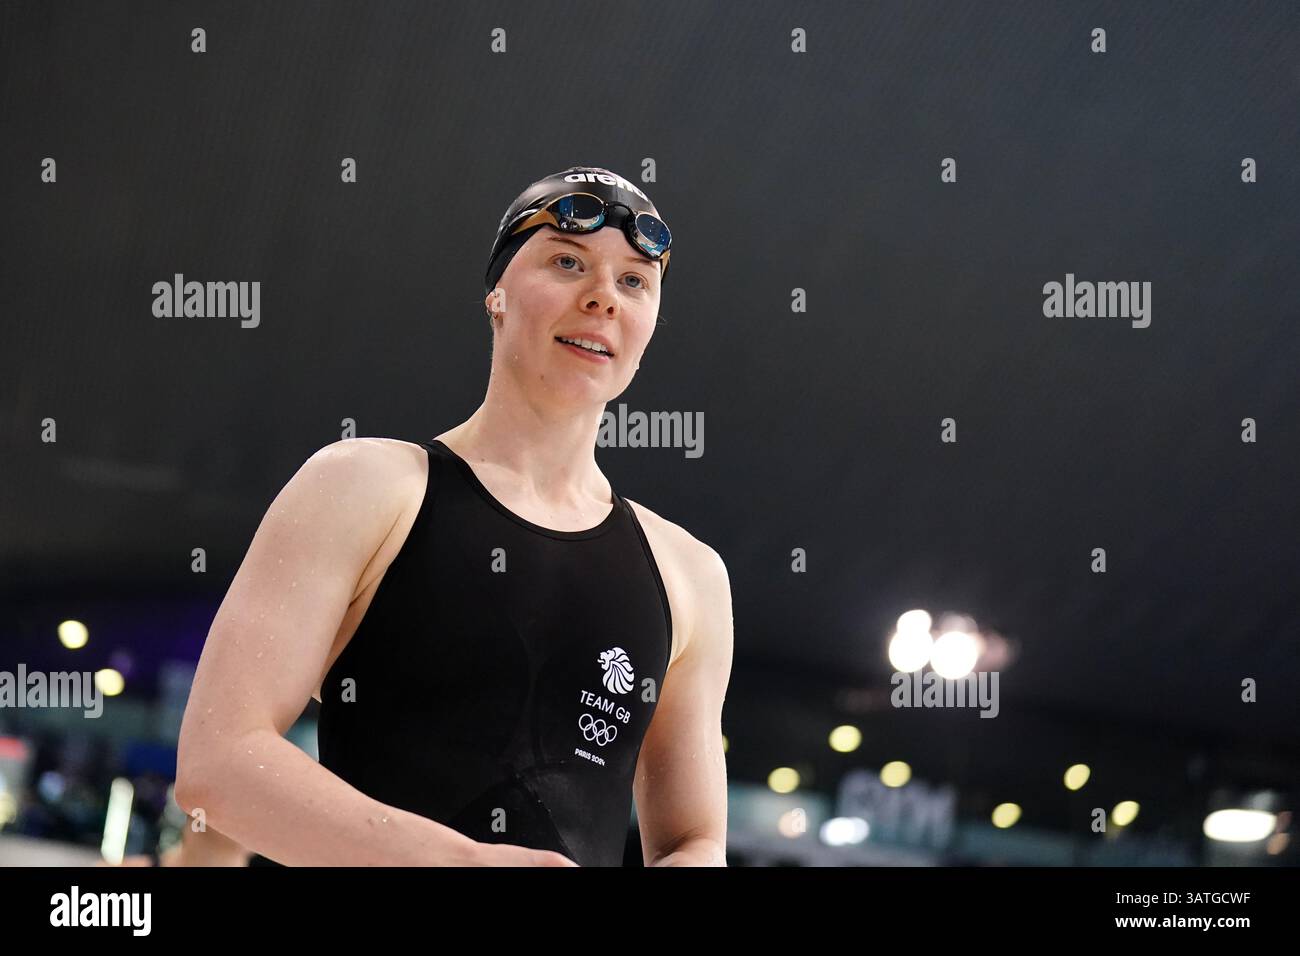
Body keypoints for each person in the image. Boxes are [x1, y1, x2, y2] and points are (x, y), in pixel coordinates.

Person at [176, 166, 733, 866]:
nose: (603, 299)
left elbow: (695, 841)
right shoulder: (366, 488)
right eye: (568, 262)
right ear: (496, 295)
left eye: (634, 282)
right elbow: (218, 765)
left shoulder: (688, 574)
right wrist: (459, 862)